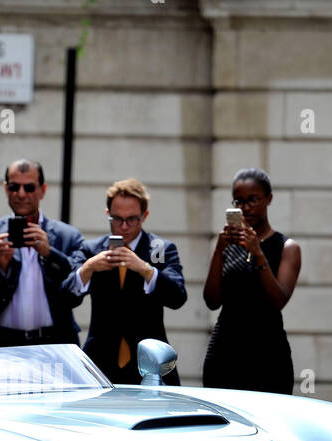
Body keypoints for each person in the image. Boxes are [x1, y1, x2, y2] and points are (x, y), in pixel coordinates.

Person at [64, 178, 186, 383]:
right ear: (107, 214)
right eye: (117, 219)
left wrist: (145, 269)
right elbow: (65, 296)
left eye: (132, 219)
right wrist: (88, 268)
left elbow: (177, 297)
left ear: (144, 216)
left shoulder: (158, 248)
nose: (124, 226)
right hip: (100, 361)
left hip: (150, 362)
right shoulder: (92, 249)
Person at [202, 168, 301, 394]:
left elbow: (278, 300)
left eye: (253, 200)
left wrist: (258, 253)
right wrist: (218, 251)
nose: (246, 208)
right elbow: (211, 300)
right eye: (239, 202)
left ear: (269, 199)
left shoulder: (287, 248)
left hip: (267, 350)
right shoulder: (226, 247)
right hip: (226, 348)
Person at [0, 159, 85, 348]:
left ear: (43, 190)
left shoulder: (68, 236)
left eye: (29, 188)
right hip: (4, 342)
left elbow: (74, 295)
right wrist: (2, 267)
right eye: (14, 187)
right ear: (6, 189)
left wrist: (49, 254)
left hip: (54, 343)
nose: (21, 194)